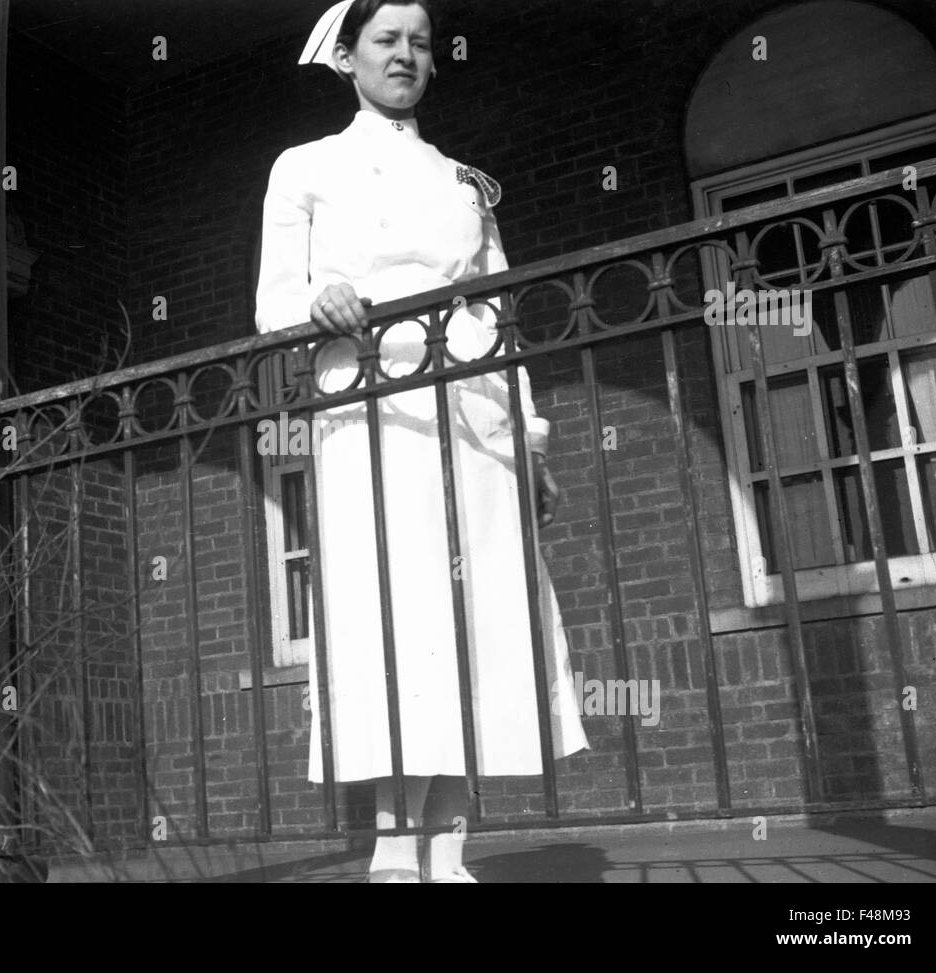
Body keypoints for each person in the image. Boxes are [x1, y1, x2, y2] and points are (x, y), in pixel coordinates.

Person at [255, 0, 589, 883]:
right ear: (347, 56)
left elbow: (501, 317)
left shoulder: (464, 185)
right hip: (372, 410)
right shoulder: (306, 168)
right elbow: (273, 305)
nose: (405, 56)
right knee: (391, 611)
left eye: (420, 43)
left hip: (472, 414)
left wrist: (534, 442)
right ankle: (394, 848)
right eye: (385, 41)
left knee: (469, 615)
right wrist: (319, 304)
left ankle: (451, 848)